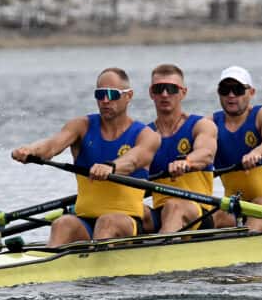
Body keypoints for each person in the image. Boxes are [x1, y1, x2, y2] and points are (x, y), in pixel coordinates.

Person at [11, 67, 159, 244]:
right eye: (100, 94)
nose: (105, 100)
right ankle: (47, 267)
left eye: (112, 94)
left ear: (129, 96)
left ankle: (96, 267)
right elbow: (51, 146)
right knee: (62, 223)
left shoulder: (147, 135)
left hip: (126, 222)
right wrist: (30, 150)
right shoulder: (81, 126)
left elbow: (133, 160)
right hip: (85, 221)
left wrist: (111, 167)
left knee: (107, 222)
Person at [209, 66, 262, 232]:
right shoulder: (210, 124)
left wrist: (257, 153)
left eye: (237, 90)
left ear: (251, 92)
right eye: (225, 90)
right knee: (209, 216)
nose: (231, 95)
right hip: (234, 207)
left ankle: (247, 249)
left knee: (260, 204)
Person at [142, 63, 218, 233]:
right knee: (121, 214)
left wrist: (187, 161)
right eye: (159, 88)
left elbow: (206, 154)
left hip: (198, 213)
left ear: (183, 92)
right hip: (160, 212)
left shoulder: (201, 125)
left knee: (174, 205)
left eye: (172, 89)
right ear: (151, 93)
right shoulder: (144, 134)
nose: (164, 94)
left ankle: (159, 253)